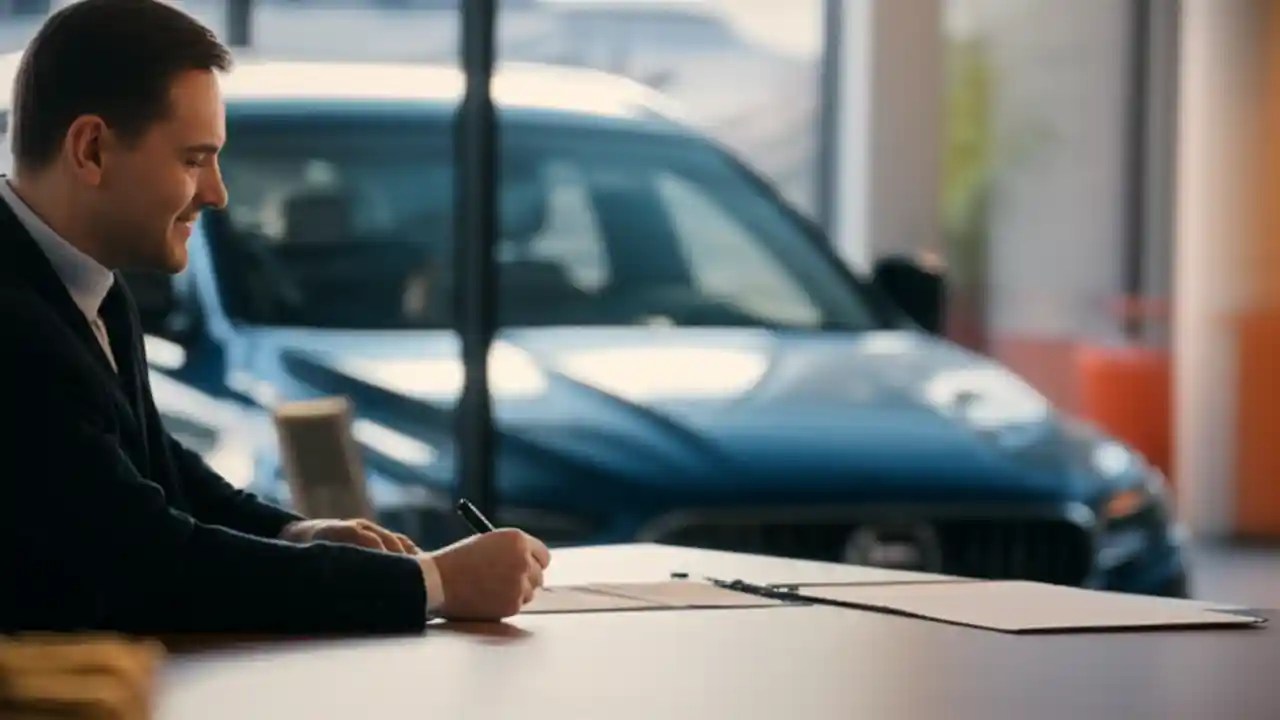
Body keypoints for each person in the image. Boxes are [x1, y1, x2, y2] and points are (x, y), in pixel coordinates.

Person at [0, 0, 549, 634]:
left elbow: (158, 472)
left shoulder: (86, 283)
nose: (217, 193)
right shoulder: (14, 328)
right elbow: (150, 565)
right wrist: (436, 583)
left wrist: (297, 531)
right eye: (193, 159)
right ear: (91, 149)